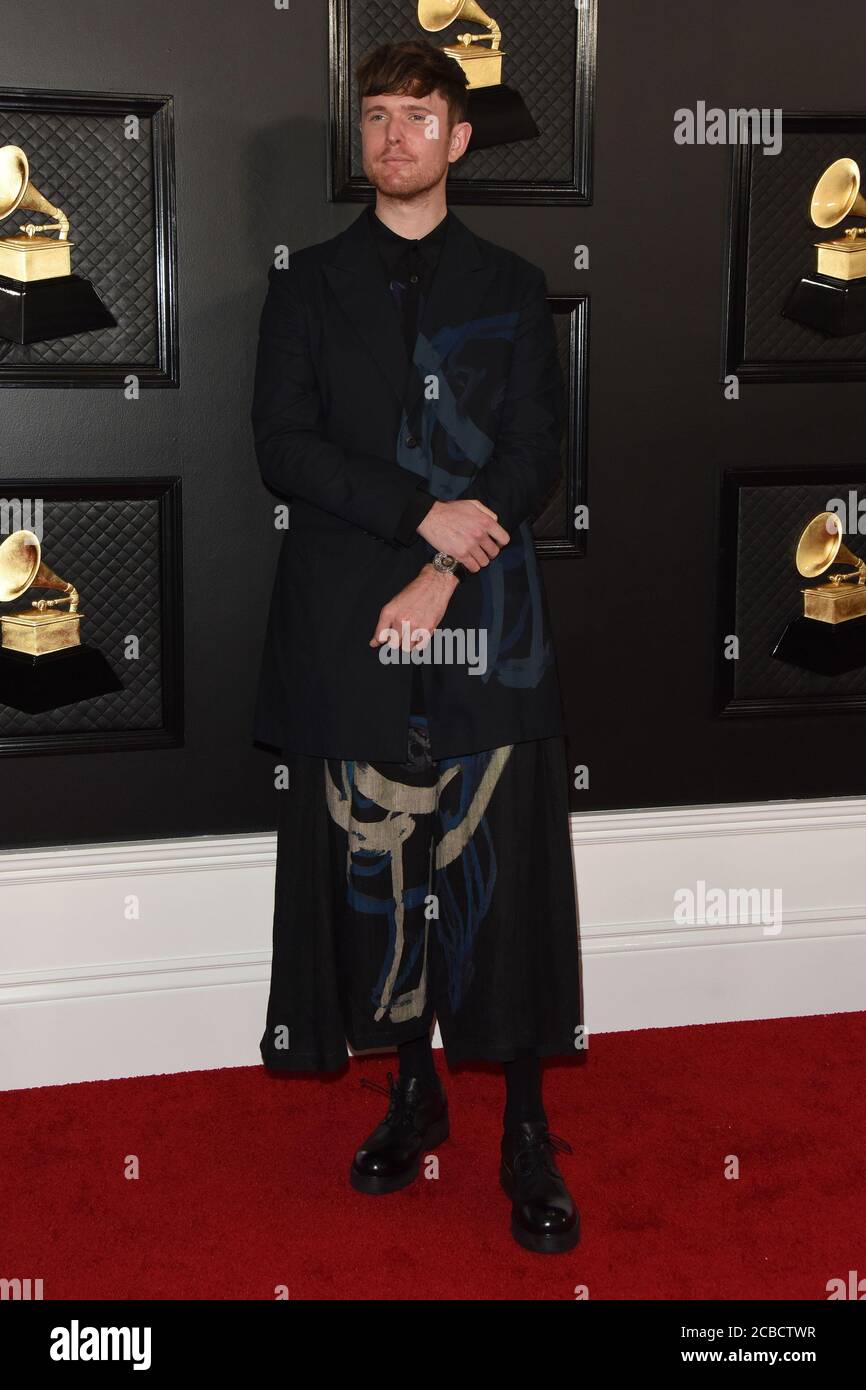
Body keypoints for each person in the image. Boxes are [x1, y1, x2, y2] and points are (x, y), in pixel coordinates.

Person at [251, 37, 582, 1255]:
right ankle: (409, 1092)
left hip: (484, 622)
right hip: (346, 619)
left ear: (457, 135)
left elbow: (533, 455)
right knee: (374, 871)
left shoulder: (510, 282)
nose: (394, 135)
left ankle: (528, 1129)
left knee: (501, 877)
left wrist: (444, 562)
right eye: (377, 115)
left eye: (418, 115)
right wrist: (410, 516)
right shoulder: (305, 283)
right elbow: (282, 447)